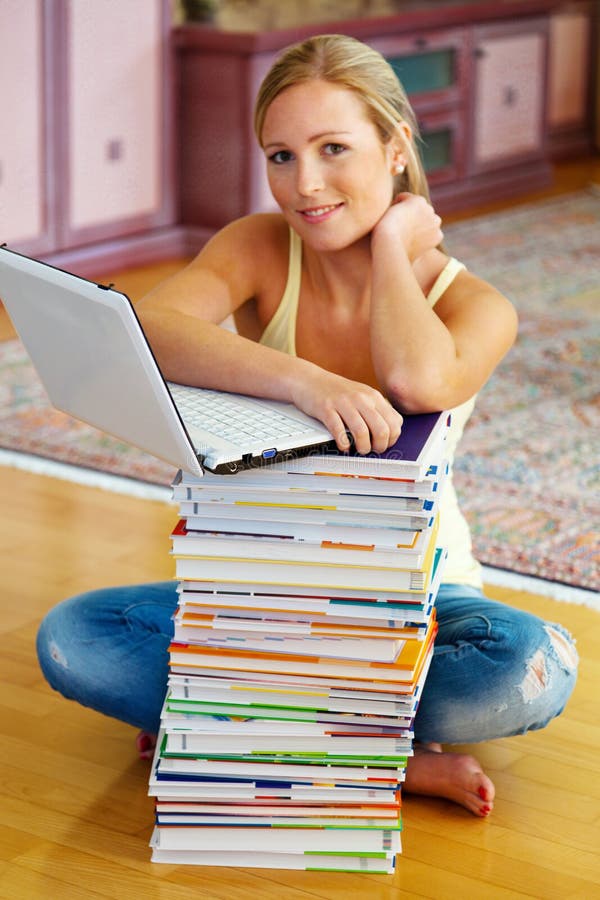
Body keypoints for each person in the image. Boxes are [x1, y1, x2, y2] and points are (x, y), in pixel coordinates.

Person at [36, 34, 578, 818]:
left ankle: (231, 733)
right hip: (263, 596)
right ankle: (381, 760)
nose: (306, 184)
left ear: (396, 150)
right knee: (73, 637)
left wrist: (393, 244)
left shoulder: (476, 305)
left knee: (524, 664)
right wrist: (306, 381)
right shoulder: (260, 248)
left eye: (333, 149)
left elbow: (417, 380)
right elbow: (150, 328)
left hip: (418, 599)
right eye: (281, 156)